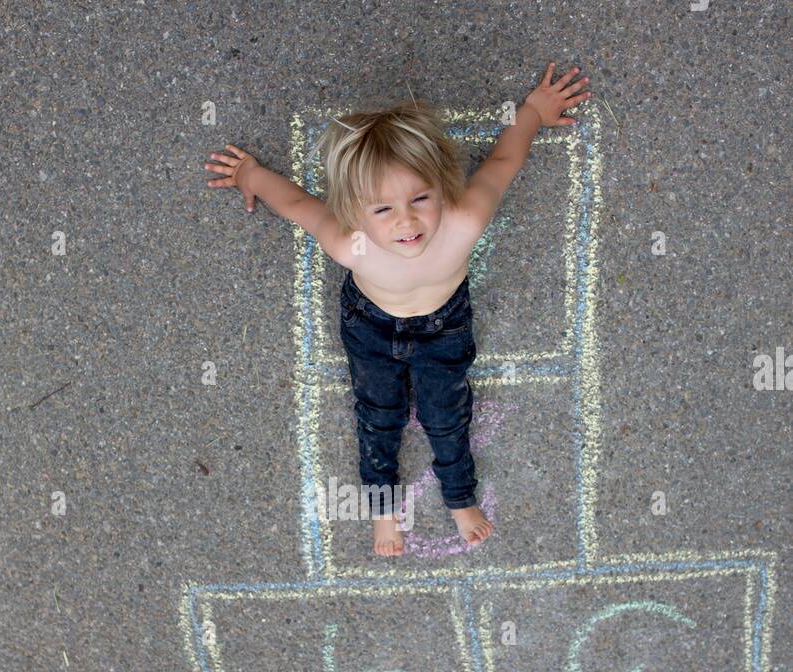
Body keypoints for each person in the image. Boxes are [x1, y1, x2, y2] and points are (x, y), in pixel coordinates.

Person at [205, 63, 590, 556]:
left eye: (420, 198)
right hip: (371, 329)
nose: (406, 220)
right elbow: (300, 204)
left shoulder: (463, 220)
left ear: (443, 187)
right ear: (354, 212)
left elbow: (502, 164)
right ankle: (384, 509)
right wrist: (250, 174)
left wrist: (534, 112)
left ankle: (459, 496)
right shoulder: (350, 244)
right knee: (377, 416)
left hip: (444, 327)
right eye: (382, 209)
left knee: (446, 416)